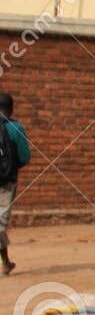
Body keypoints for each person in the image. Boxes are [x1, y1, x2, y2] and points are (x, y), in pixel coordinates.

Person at [0, 92, 31, 275]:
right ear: (10, 109)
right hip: (6, 182)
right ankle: (6, 262)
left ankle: (6, 262)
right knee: (0, 222)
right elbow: (25, 157)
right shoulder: (15, 128)